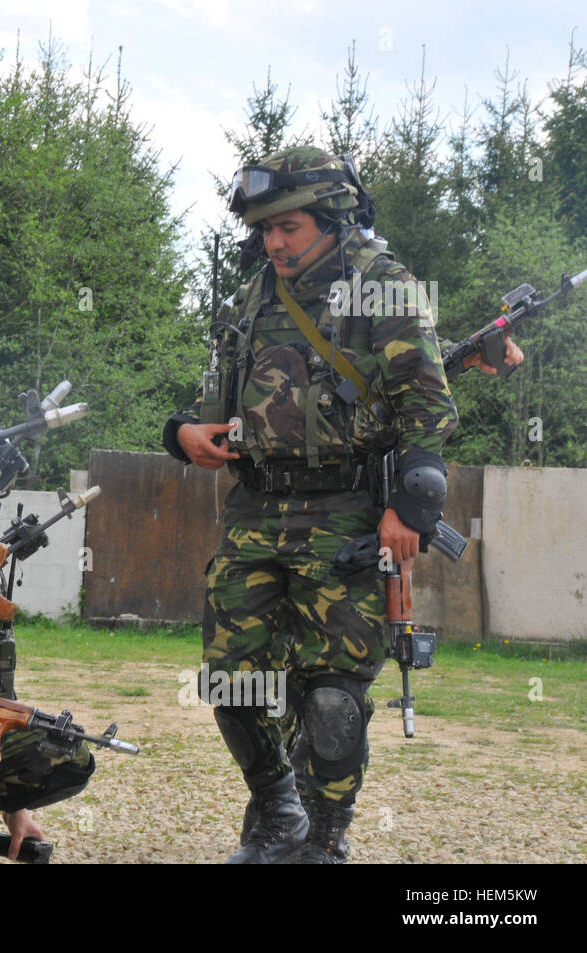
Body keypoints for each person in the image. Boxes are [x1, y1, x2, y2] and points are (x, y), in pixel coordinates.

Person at [163, 146, 459, 863]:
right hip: (256, 511)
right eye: (265, 231)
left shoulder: (382, 287)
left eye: (288, 227)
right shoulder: (254, 295)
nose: (274, 243)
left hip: (348, 512)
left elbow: (429, 407)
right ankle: (275, 808)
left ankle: (323, 839)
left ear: (331, 216)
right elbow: (213, 402)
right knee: (230, 682)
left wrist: (410, 510)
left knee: (331, 696)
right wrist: (182, 435)